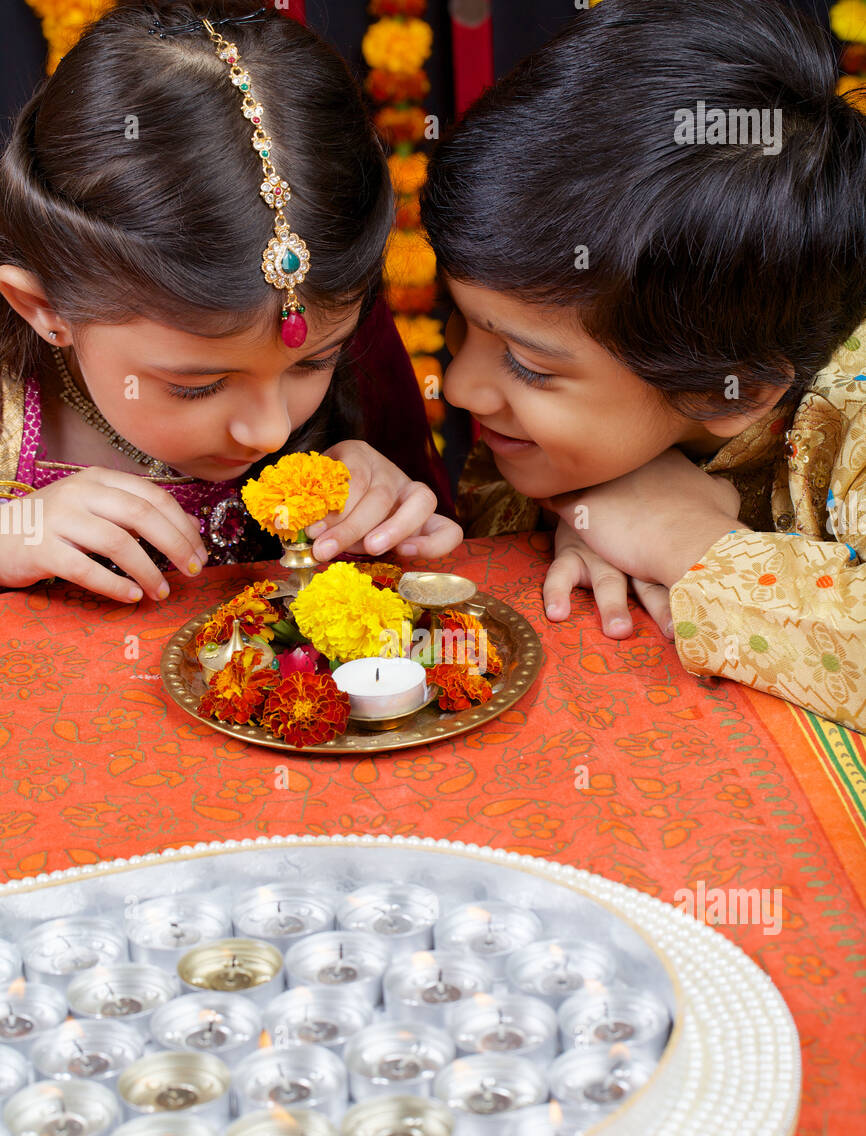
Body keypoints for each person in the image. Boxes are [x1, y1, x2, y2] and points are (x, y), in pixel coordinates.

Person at [421, 0, 866, 731]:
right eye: (458, 320)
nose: (463, 387)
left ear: (735, 390)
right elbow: (493, 502)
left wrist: (686, 544)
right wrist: (583, 516)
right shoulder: (553, 424)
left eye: (528, 367)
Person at [0, 0, 460, 606]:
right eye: (198, 385)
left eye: (313, 362)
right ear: (44, 309)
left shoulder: (336, 321)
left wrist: (383, 519)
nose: (269, 431)